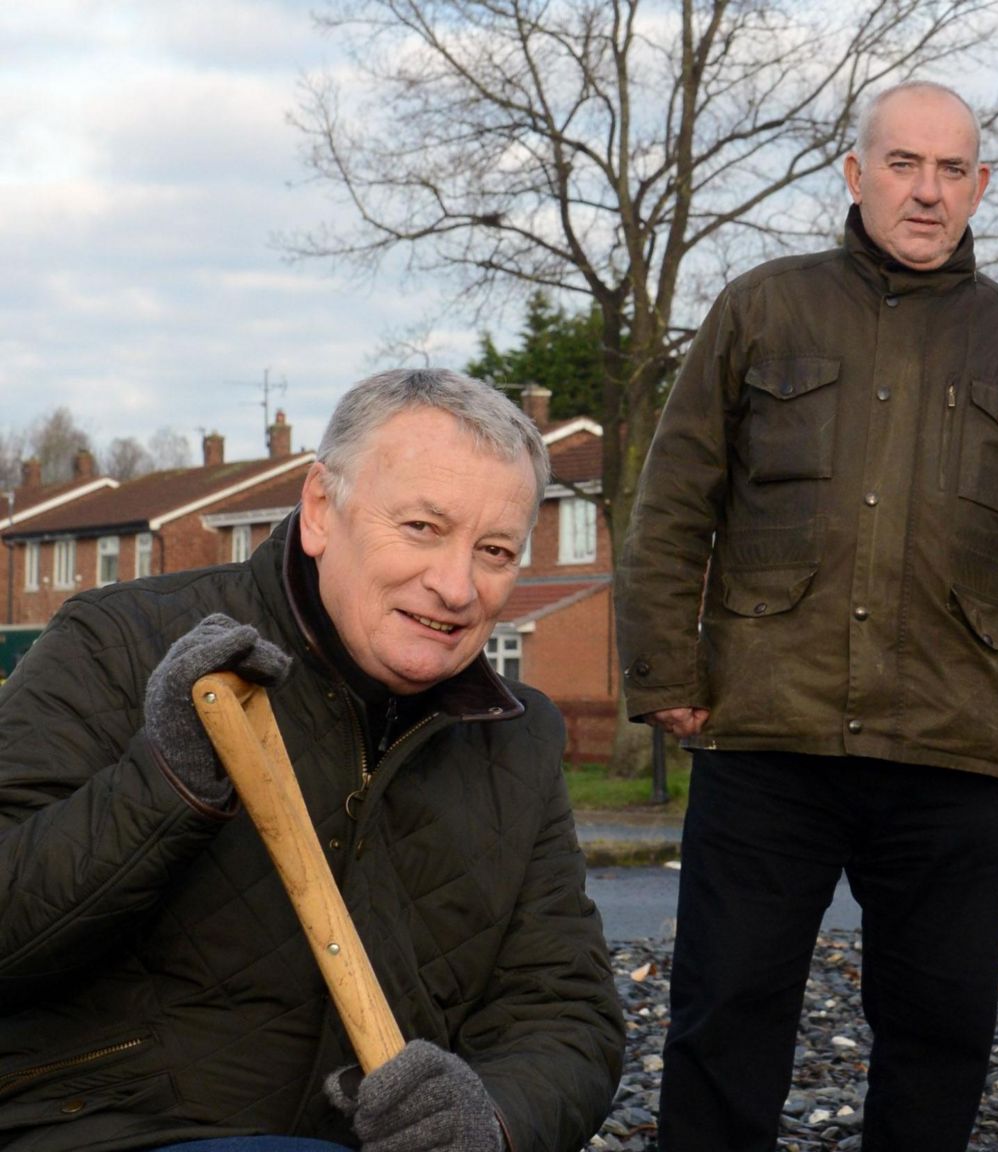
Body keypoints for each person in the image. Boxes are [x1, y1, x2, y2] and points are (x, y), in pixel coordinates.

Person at [616, 80, 998, 1151]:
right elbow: (672, 503)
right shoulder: (759, 310)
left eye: (950, 171)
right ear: (854, 174)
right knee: (724, 1017)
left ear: (979, 188)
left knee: (941, 1032)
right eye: (903, 164)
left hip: (946, 750)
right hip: (766, 738)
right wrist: (664, 674)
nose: (926, 192)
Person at [0, 369, 624, 1152]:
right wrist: (163, 785)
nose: (456, 585)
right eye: (424, 528)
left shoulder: (514, 734)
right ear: (323, 509)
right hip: (106, 1127)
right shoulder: (119, 643)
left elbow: (565, 1011)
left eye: (494, 550)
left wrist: (492, 1119)